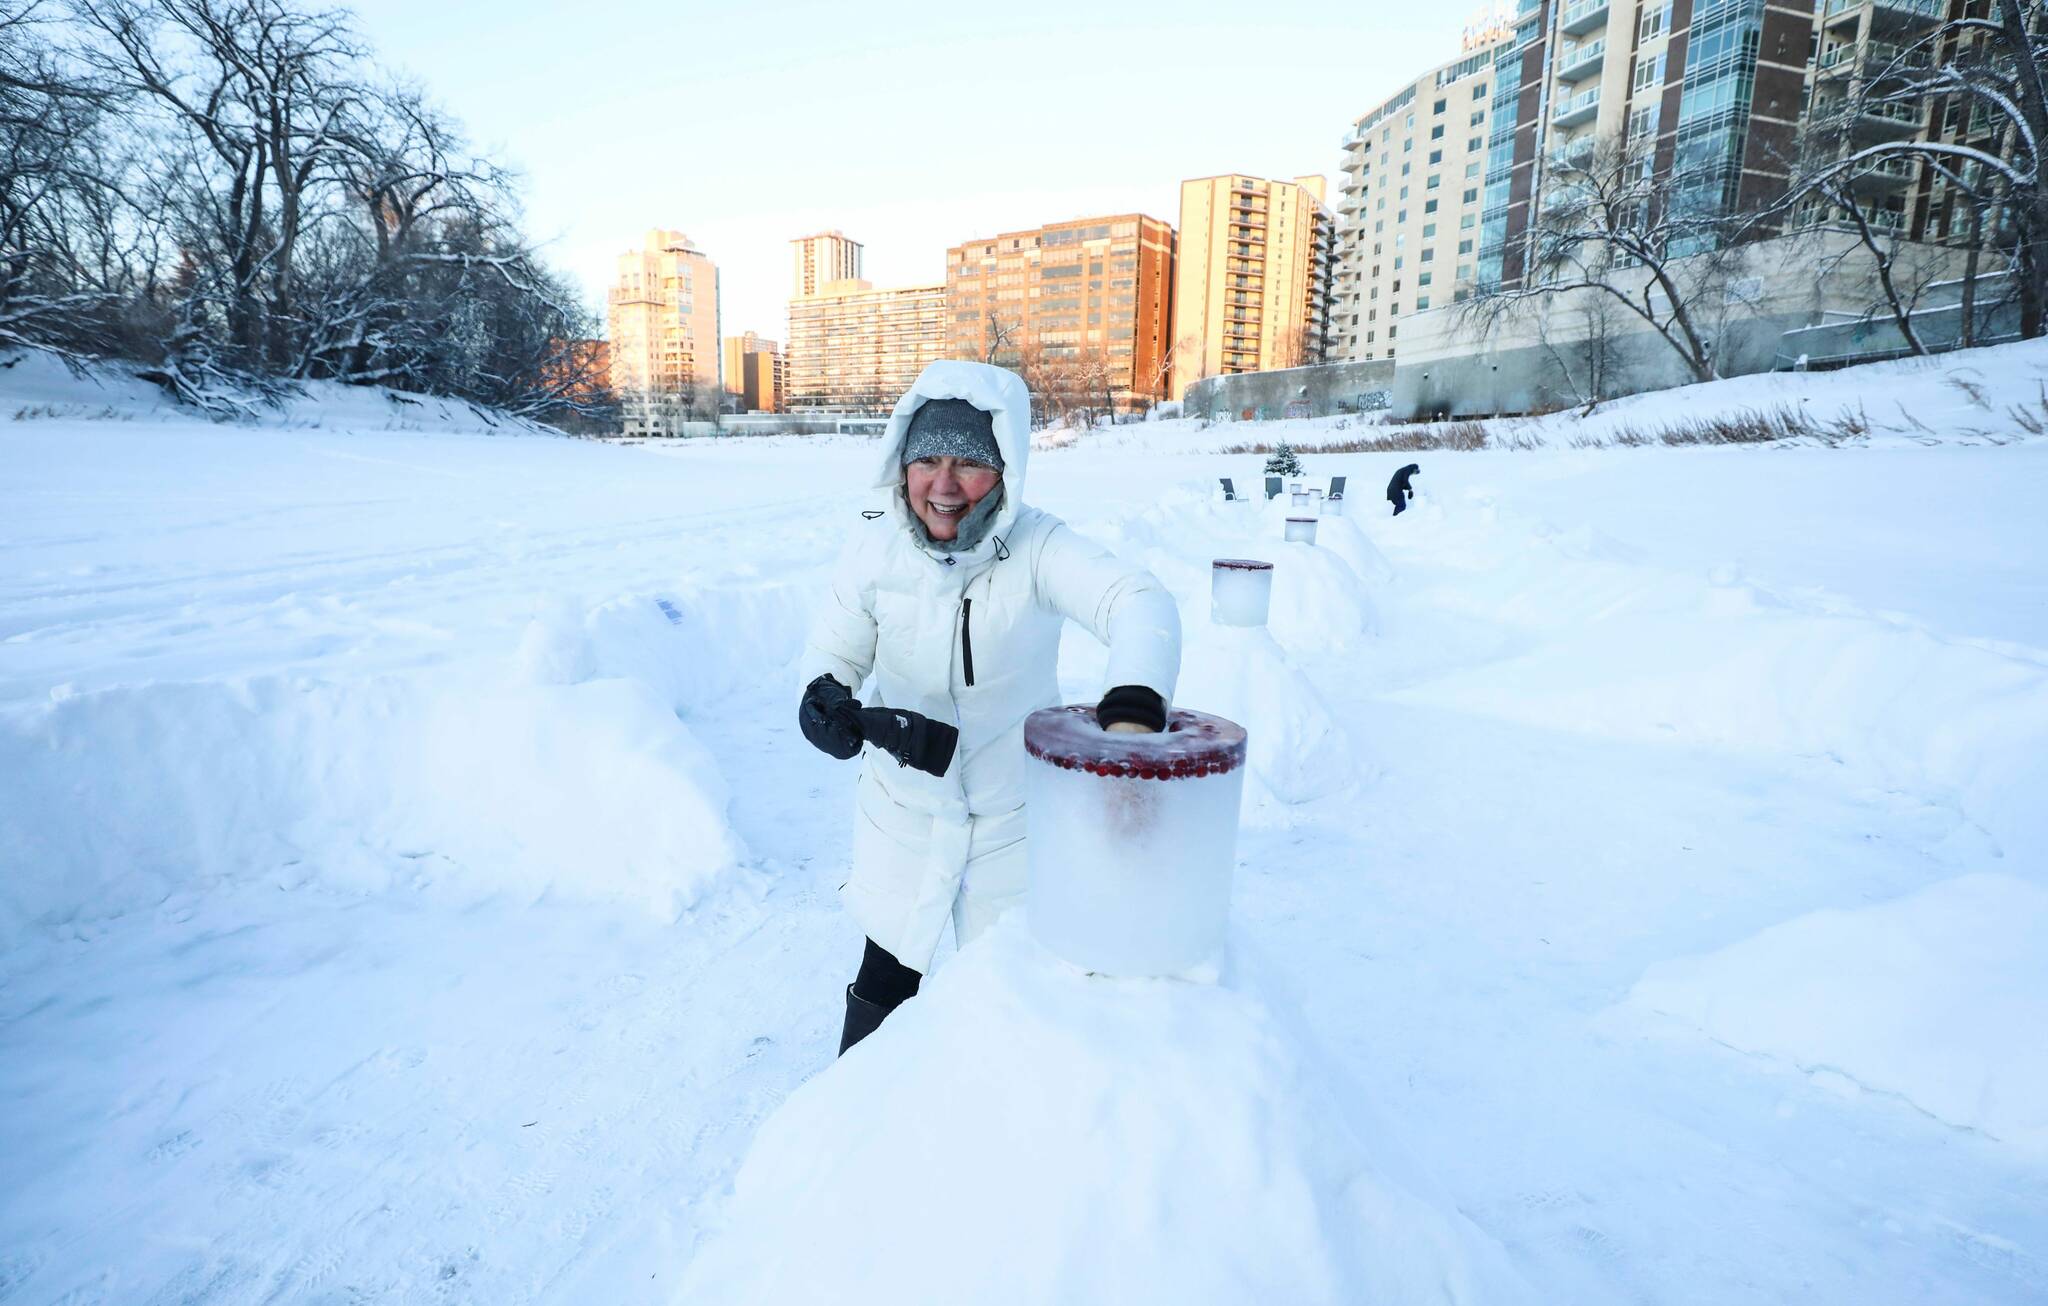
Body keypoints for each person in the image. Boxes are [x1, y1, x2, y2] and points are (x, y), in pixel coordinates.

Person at [797, 360, 1181, 1055]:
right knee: (884, 979)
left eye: (969, 463)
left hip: (1014, 826)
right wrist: (824, 699)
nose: (944, 486)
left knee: (1014, 1002)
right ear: (901, 465)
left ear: (1005, 470)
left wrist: (1132, 706)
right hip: (901, 818)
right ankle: (856, 1137)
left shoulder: (1037, 547)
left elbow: (1138, 602)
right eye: (928, 461)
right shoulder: (873, 548)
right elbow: (834, 653)